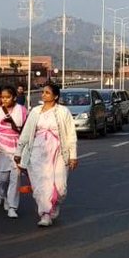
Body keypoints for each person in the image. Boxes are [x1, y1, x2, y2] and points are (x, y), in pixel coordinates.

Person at [15, 83, 79, 227]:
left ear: (55, 96)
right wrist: (19, 152)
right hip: (38, 152)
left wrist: (73, 155)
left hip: (59, 152)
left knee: (60, 187)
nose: (43, 95)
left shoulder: (63, 112)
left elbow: (70, 134)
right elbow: (26, 133)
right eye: (43, 92)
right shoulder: (36, 112)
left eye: (47, 93)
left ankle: (53, 204)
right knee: (41, 185)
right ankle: (45, 214)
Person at [0, 86, 27, 219]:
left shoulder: (22, 110)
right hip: (1, 149)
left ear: (14, 98)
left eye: (7, 97)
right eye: (3, 97)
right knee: (2, 178)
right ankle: (3, 195)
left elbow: (25, 130)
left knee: (15, 178)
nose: (4, 100)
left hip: (17, 148)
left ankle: (12, 206)